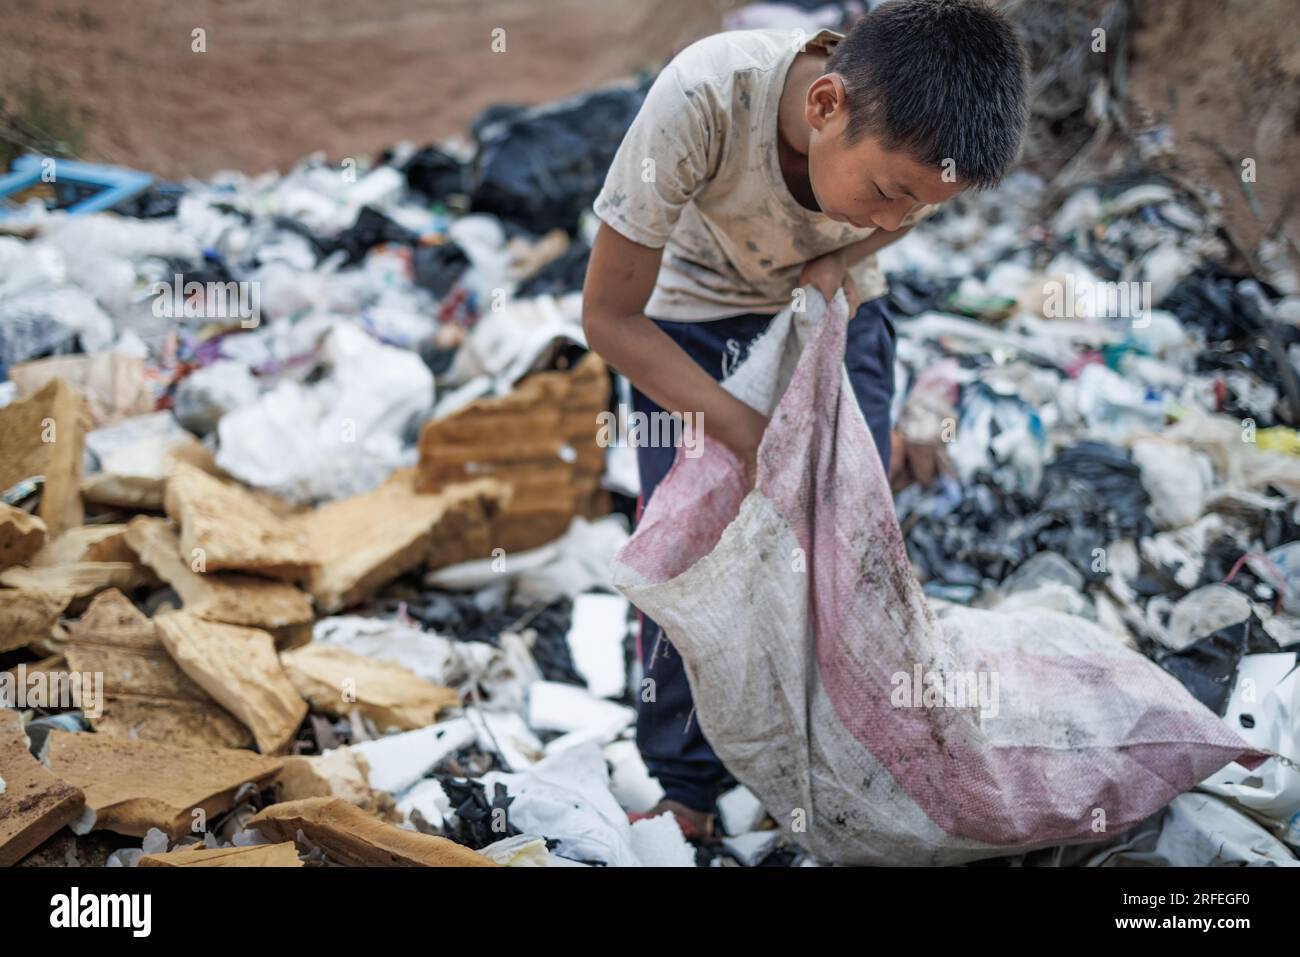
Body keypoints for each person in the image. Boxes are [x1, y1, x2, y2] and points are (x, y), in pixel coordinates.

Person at [581, 0, 1029, 839]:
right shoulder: (704, 99)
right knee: (693, 549)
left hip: (826, 303)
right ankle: (685, 789)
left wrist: (837, 259)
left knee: (846, 541)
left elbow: (882, 223)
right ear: (824, 105)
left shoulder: (918, 158)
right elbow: (609, 319)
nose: (898, 219)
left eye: (922, 206)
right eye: (891, 192)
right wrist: (755, 440)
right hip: (685, 322)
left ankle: (850, 766)